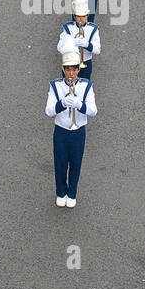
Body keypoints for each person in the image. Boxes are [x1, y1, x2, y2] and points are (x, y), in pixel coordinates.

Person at [46, 43, 96, 209]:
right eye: (68, 69)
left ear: (78, 70)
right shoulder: (55, 86)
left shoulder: (86, 86)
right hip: (61, 131)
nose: (71, 73)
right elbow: (48, 111)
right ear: (63, 69)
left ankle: (72, 193)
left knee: (76, 163)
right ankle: (61, 192)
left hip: (78, 132)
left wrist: (79, 104)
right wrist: (62, 103)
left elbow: (93, 110)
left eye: (74, 69)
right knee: (60, 163)